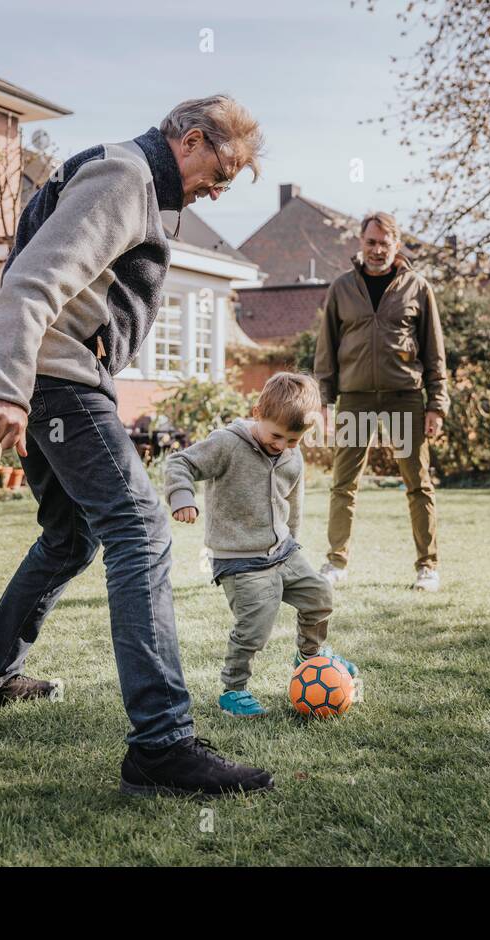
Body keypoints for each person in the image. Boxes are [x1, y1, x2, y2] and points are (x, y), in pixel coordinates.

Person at [0, 95, 275, 798]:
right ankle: (162, 747)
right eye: (219, 173)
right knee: (140, 529)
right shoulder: (125, 177)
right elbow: (33, 280)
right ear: (189, 141)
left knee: (70, 539)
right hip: (54, 379)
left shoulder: (140, 184)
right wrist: (7, 386)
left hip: (58, 374)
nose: (218, 191)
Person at [164, 372, 358, 718]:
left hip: (282, 552)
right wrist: (181, 496)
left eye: (294, 440)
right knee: (255, 628)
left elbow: (292, 506)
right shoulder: (227, 444)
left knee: (319, 595)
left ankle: (310, 658)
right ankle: (233, 690)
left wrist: (293, 544)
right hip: (240, 560)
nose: (282, 445)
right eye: (277, 435)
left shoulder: (291, 458)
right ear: (258, 413)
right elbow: (181, 462)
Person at [313, 211, 448, 592]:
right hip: (355, 399)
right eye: (370, 243)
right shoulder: (341, 289)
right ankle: (336, 562)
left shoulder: (418, 287)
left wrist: (436, 404)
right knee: (343, 485)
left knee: (418, 484)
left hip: (404, 397)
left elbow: (435, 352)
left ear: (397, 245)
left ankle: (427, 567)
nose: (377, 250)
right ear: (360, 243)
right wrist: (323, 402)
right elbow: (326, 352)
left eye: (384, 244)